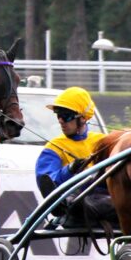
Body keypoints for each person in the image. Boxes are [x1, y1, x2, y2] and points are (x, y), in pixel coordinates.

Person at [35, 87, 114, 227]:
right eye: (58, 115)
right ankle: (66, 208)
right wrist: (70, 170)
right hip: (76, 200)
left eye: (66, 115)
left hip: (104, 198)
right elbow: (48, 181)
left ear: (82, 118)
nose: (60, 120)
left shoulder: (104, 141)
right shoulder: (53, 148)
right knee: (77, 200)